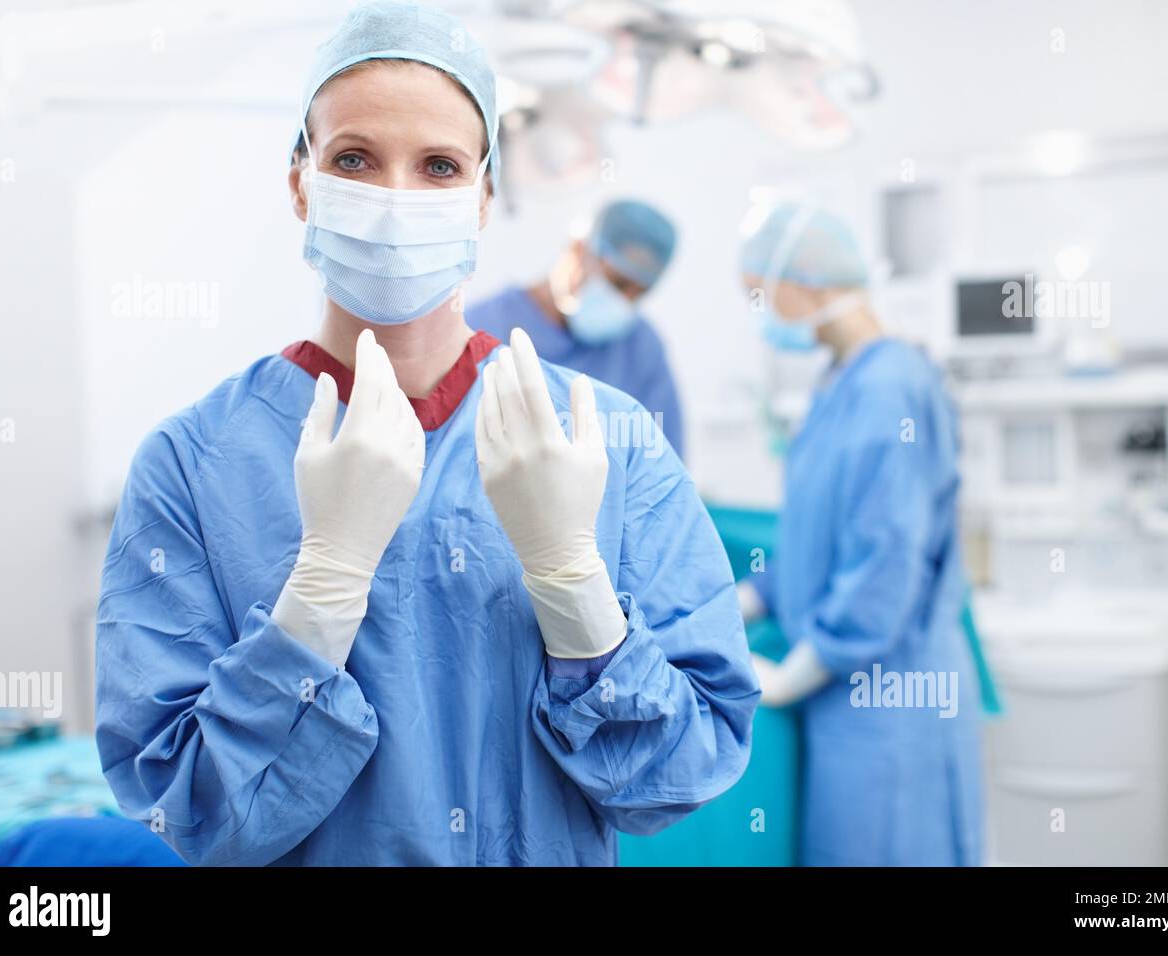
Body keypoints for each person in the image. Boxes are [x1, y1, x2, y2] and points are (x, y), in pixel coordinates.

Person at [94, 1, 757, 867]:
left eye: (439, 166)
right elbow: (186, 815)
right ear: (301, 182)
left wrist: (574, 583)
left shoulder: (613, 442)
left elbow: (683, 773)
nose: (393, 198)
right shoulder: (188, 466)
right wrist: (319, 594)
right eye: (354, 159)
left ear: (483, 199)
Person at [736, 201, 982, 866]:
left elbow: (885, 559)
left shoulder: (890, 389)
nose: (762, 313)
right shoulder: (838, 382)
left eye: (761, 294)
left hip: (891, 702)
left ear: (808, 282)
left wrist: (797, 672)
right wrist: (751, 597)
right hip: (851, 699)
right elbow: (824, 532)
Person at [469, 200, 687, 457]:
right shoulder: (481, 329)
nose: (623, 303)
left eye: (638, 294)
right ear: (578, 249)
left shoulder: (640, 348)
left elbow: (662, 469)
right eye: (618, 284)